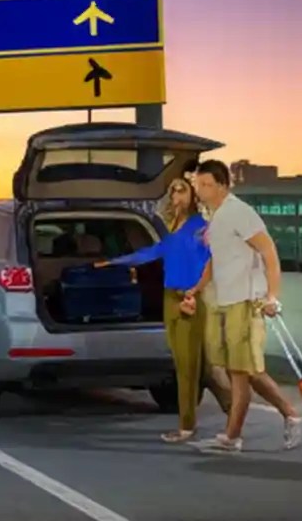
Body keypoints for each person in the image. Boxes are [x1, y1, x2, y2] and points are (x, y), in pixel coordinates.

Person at [95, 177, 232, 443]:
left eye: (181, 190)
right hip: (170, 297)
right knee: (200, 366)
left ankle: (187, 427)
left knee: (187, 366)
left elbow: (213, 262)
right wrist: (114, 262)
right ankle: (234, 413)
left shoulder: (200, 228)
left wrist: (195, 291)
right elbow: (152, 252)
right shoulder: (173, 228)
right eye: (172, 191)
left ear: (193, 196)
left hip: (188, 298)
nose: (175, 195)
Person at [184, 160, 302, 453]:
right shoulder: (216, 216)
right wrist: (197, 288)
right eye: (198, 185)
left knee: (240, 371)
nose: (200, 191)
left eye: (207, 185)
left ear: (223, 185)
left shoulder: (239, 212)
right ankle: (289, 414)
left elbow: (269, 251)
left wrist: (272, 296)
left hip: (246, 301)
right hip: (225, 300)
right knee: (241, 369)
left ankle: (232, 437)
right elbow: (217, 258)